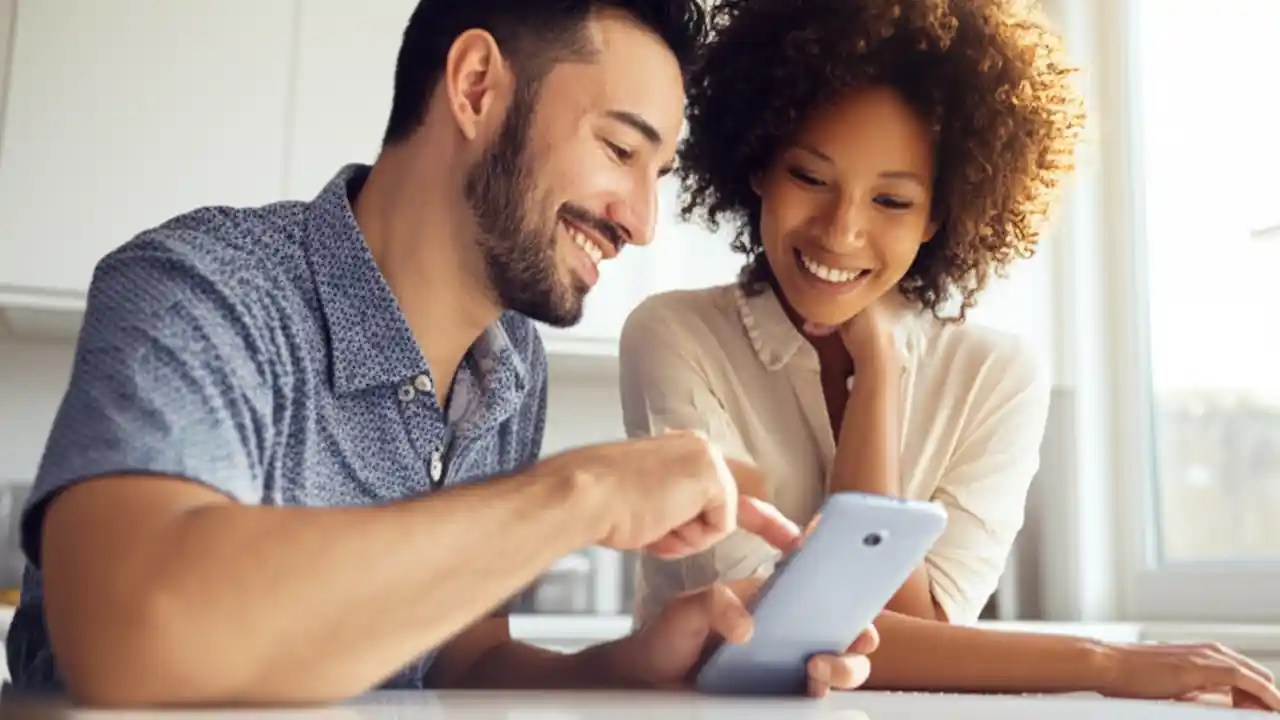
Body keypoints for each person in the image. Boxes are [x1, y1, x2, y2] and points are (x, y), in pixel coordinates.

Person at [2, 0, 879, 707]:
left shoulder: (509, 362)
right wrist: (580, 491)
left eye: (658, 175)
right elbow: (137, 641)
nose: (642, 222)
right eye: (620, 150)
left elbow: (458, 661)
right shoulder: (206, 288)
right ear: (473, 85)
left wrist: (637, 666)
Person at [620, 0, 1280, 711]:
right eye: (810, 178)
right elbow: (769, 633)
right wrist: (1104, 662)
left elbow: (927, 629)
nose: (842, 232)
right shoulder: (674, 335)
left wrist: (879, 371)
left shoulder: (999, 378)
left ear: (939, 214)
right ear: (759, 167)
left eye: (893, 201)